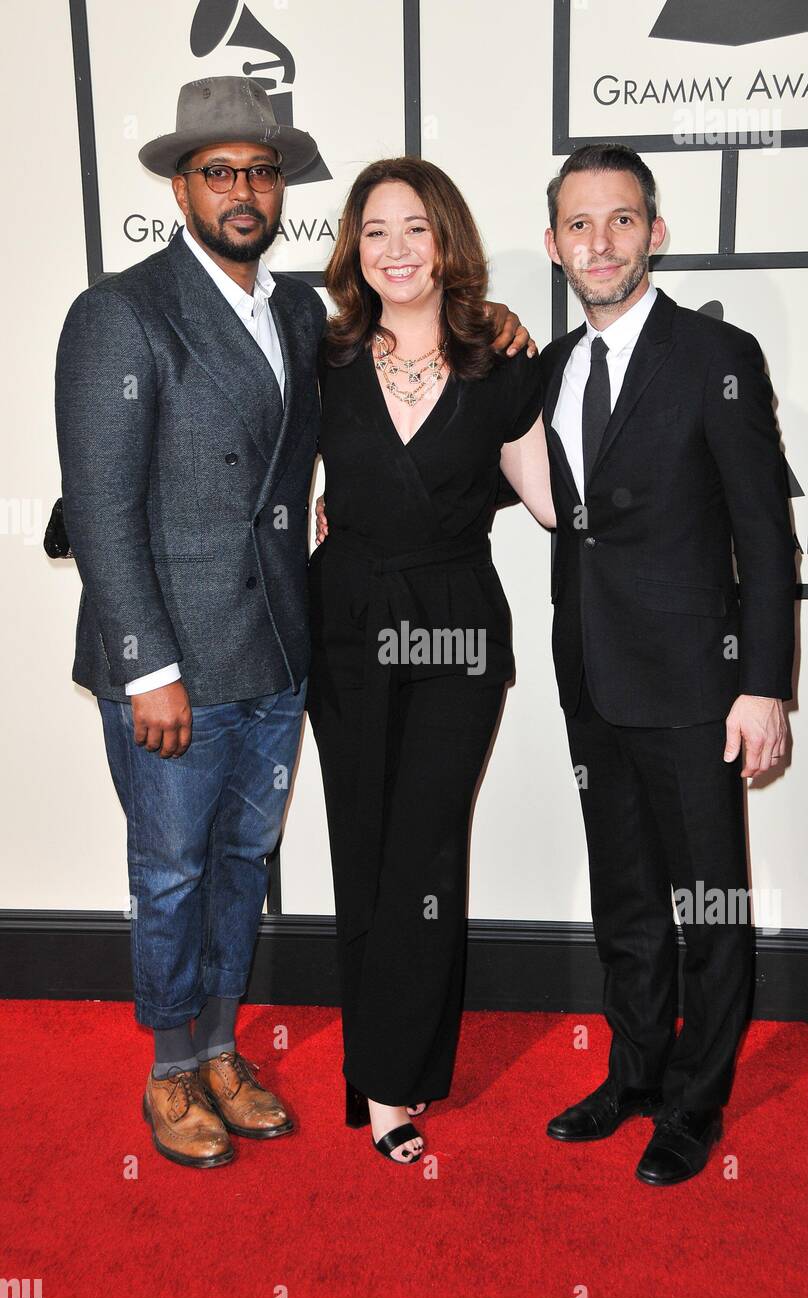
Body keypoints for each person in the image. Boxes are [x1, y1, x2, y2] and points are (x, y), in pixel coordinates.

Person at [54, 76, 532, 1170]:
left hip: (282, 651)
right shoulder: (119, 311)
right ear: (180, 185)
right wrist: (143, 667)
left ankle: (222, 1047)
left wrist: (490, 322)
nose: (243, 188)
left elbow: (392, 406)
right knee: (169, 869)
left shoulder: (300, 316)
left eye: (261, 170)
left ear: (281, 190)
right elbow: (99, 503)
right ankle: (172, 1069)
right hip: (173, 657)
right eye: (219, 169)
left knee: (238, 861)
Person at [541, 144, 797, 1185]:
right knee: (627, 897)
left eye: (618, 219)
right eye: (576, 224)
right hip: (593, 676)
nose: (597, 242)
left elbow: (765, 538)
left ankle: (695, 1101)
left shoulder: (715, 354)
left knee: (709, 902)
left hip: (700, 680)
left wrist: (764, 685)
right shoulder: (552, 366)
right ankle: (635, 1074)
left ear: (653, 230)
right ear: (555, 242)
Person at [306, 157, 555, 1164]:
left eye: (414, 228)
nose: (395, 249)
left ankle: (399, 1078)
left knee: (423, 853)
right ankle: (370, 1080)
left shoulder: (502, 364)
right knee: (360, 847)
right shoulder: (316, 357)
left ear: (446, 239)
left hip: (456, 626)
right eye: (374, 230)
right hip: (347, 619)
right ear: (352, 250)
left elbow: (545, 502)